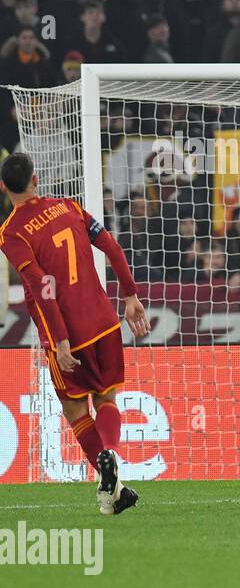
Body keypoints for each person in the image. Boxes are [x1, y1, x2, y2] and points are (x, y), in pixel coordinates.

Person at [0, 152, 150, 514]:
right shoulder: (69, 206)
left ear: (4, 188)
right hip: (105, 321)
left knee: (73, 409)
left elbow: (41, 288)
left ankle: (104, 464)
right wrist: (130, 296)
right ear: (36, 180)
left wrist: (61, 339)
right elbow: (112, 247)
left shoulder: (11, 233)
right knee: (107, 398)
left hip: (68, 332)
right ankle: (113, 477)